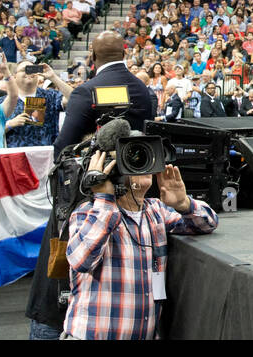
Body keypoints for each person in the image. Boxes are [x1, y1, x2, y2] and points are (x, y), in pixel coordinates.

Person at [26, 31, 158, 340]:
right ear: (126, 52)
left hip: (88, 196)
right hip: (136, 196)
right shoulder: (143, 91)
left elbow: (63, 150)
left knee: (59, 279)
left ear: (92, 57)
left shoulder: (88, 91)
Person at [63, 157, 217, 339]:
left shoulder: (155, 210)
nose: (144, 166)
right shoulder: (88, 212)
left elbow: (208, 223)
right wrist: (103, 198)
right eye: (133, 159)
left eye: (145, 158)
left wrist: (183, 204)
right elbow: (81, 261)